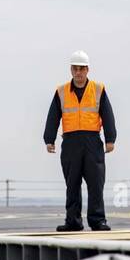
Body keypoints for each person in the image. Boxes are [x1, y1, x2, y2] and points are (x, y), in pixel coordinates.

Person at [43, 50, 117, 232]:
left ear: (87, 70)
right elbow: (53, 116)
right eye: (75, 69)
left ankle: (98, 220)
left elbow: (107, 114)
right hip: (70, 142)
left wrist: (110, 138)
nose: (78, 72)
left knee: (96, 183)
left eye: (82, 69)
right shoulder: (61, 92)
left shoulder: (98, 90)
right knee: (72, 183)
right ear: (71, 70)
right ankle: (73, 221)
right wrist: (49, 139)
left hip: (92, 141)